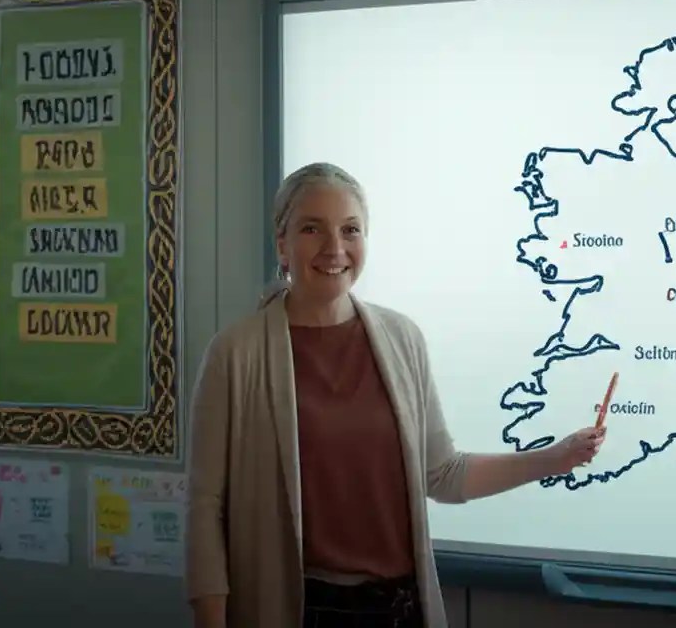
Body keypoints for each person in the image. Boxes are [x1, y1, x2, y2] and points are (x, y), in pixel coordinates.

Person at [185, 162, 606, 628]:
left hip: (400, 608)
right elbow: (206, 506)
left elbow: (444, 474)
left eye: (351, 230)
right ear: (282, 245)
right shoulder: (235, 354)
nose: (334, 248)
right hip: (298, 609)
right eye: (311, 229)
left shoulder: (401, 338)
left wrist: (554, 459)